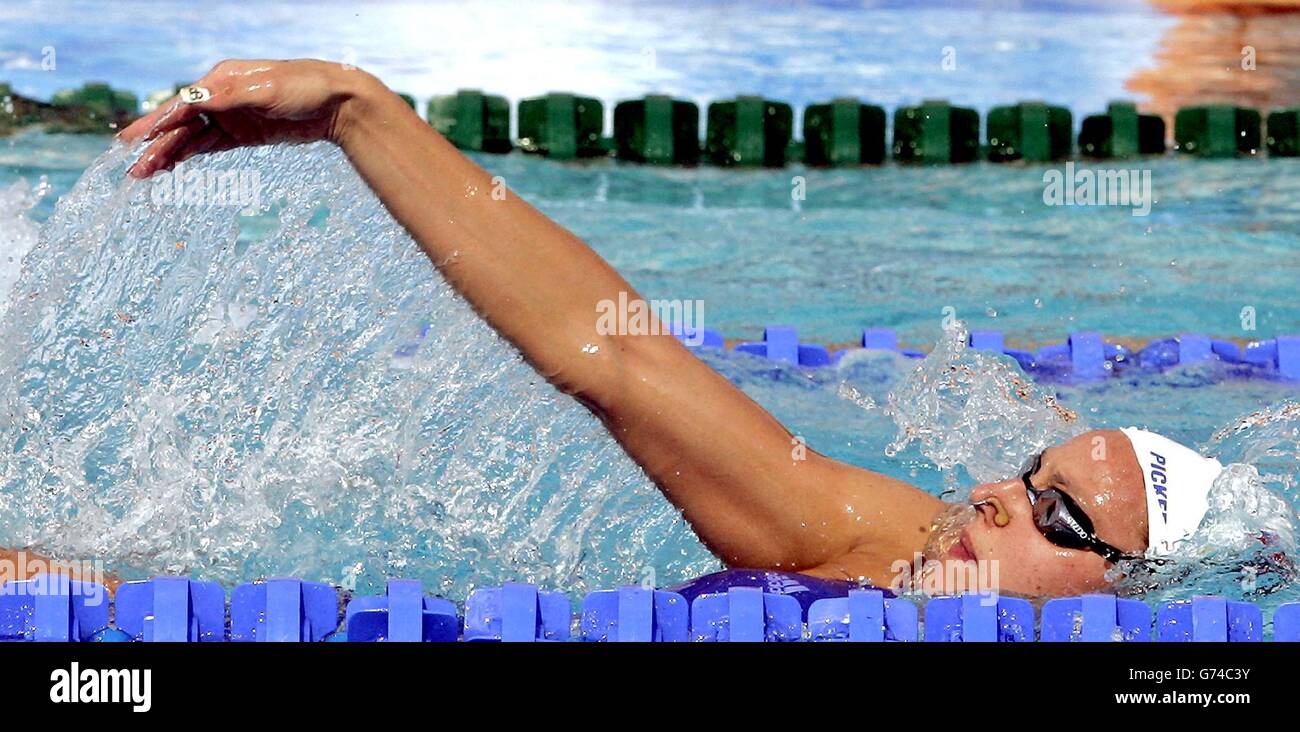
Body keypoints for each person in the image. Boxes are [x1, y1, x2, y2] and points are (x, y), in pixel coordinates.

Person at [110, 59, 1226, 599]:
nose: (992, 496)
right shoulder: (886, 541)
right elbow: (619, 357)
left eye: (1058, 514)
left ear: (1131, 596)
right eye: (1025, 473)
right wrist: (361, 113)